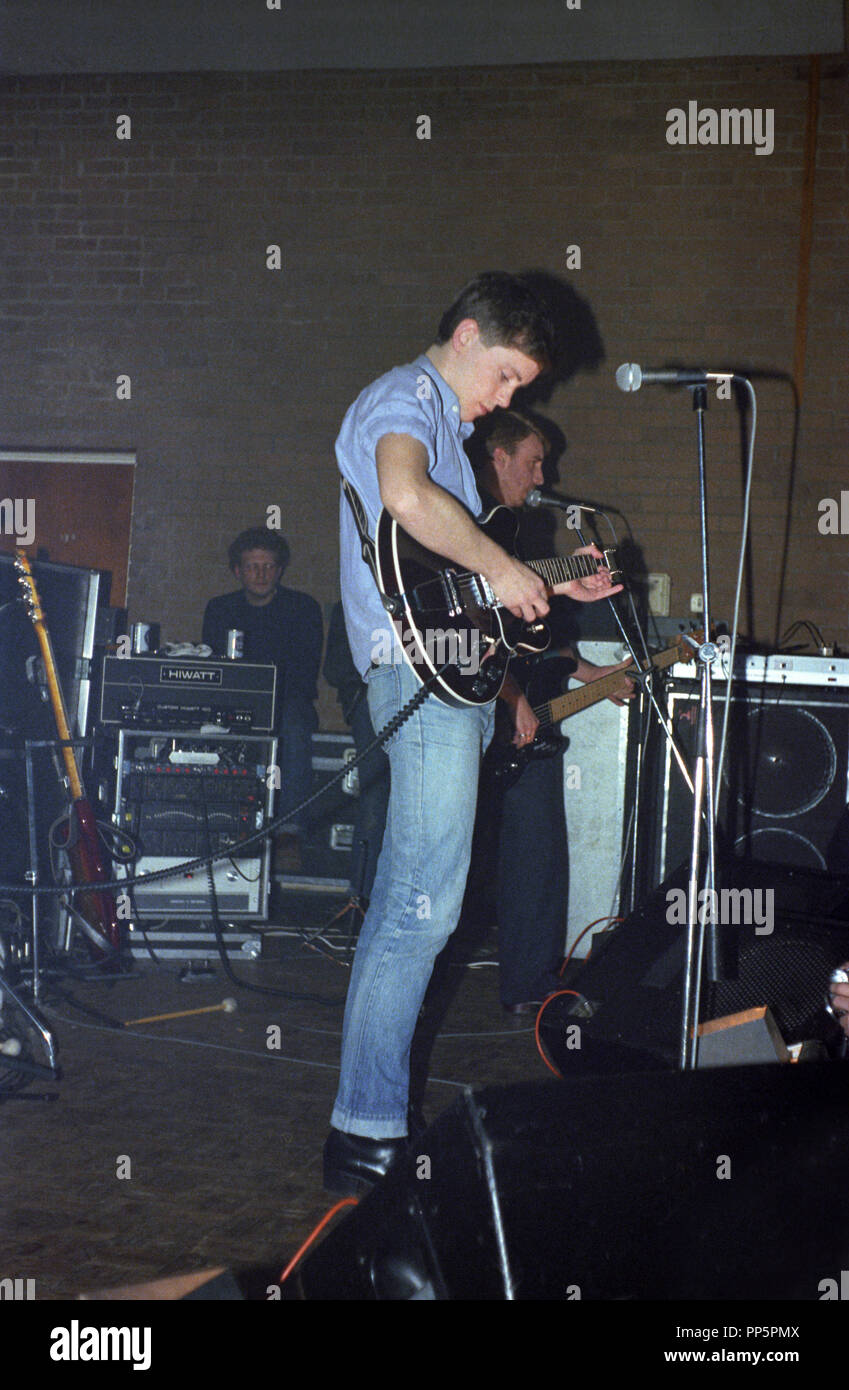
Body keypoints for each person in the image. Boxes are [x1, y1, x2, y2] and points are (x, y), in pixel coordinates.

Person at [324, 272, 623, 1196]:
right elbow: (406, 500)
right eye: (501, 376)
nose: (505, 400)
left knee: (424, 906)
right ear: (462, 336)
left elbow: (443, 576)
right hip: (413, 680)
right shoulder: (401, 399)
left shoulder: (450, 435)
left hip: (447, 677)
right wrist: (502, 567)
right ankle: (365, 1132)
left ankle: (364, 1126)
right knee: (416, 908)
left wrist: (548, 581)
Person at [471, 409, 634, 1013]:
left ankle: (531, 984)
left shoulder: (518, 530)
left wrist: (594, 674)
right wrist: (512, 698)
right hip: (488, 706)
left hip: (526, 701)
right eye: (534, 460)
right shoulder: (473, 525)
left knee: (539, 854)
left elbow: (540, 642)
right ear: (500, 457)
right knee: (509, 854)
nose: (545, 473)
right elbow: (470, 628)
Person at [202, 527, 323, 838]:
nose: (261, 574)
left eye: (268, 566)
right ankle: (219, 822)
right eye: (252, 566)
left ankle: (290, 827)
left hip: (287, 704)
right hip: (234, 704)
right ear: (237, 571)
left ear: (279, 570)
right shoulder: (220, 609)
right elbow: (215, 670)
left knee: (294, 725)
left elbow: (304, 673)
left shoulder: (303, 608)